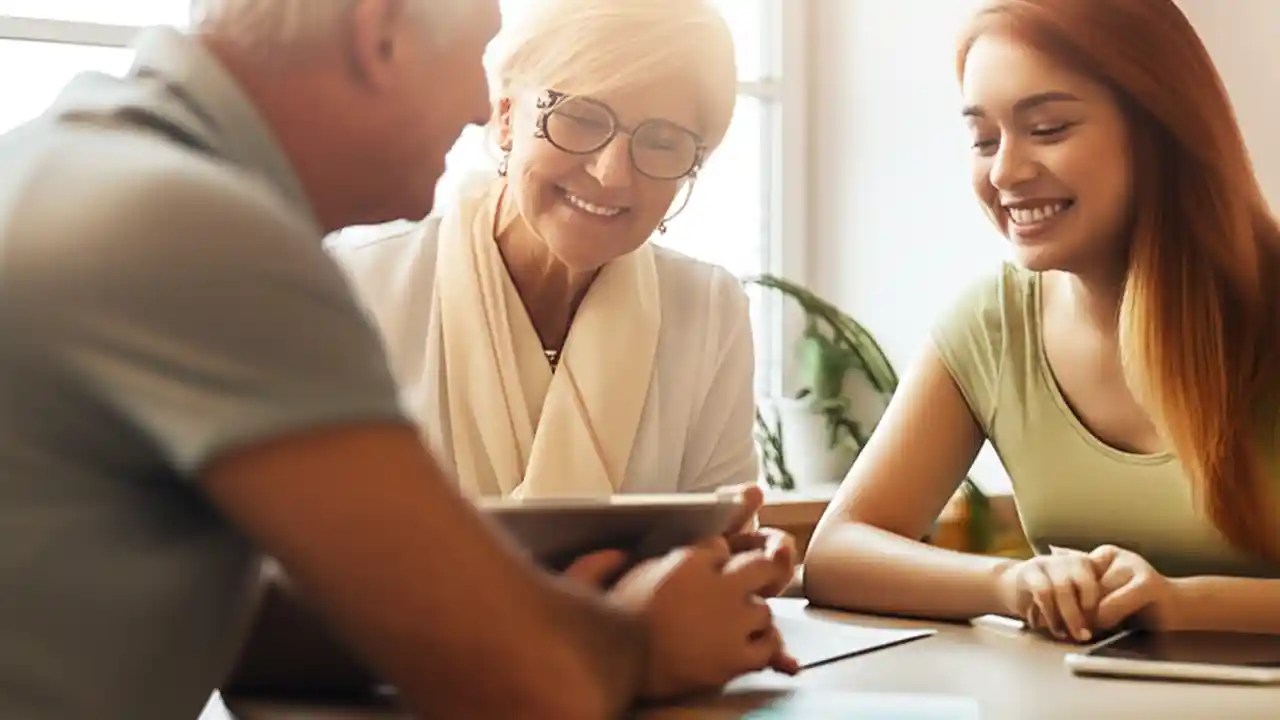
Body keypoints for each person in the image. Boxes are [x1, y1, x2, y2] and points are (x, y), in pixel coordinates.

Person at [0, 1, 796, 718]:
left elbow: (239, 616)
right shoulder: (191, 227)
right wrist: (641, 638)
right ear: (380, 31)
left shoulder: (80, 160)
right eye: (479, 55)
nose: (474, 113)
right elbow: (533, 686)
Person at [803, 0, 1280, 644]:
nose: (1004, 172)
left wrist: (1187, 603)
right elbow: (837, 554)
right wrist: (1010, 584)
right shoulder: (994, 325)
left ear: (1160, 126)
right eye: (983, 139)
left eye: (1049, 128)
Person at [331, 0, 756, 499]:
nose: (611, 174)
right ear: (506, 117)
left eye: (662, 142)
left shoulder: (708, 312)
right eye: (580, 117)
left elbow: (723, 539)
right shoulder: (358, 290)